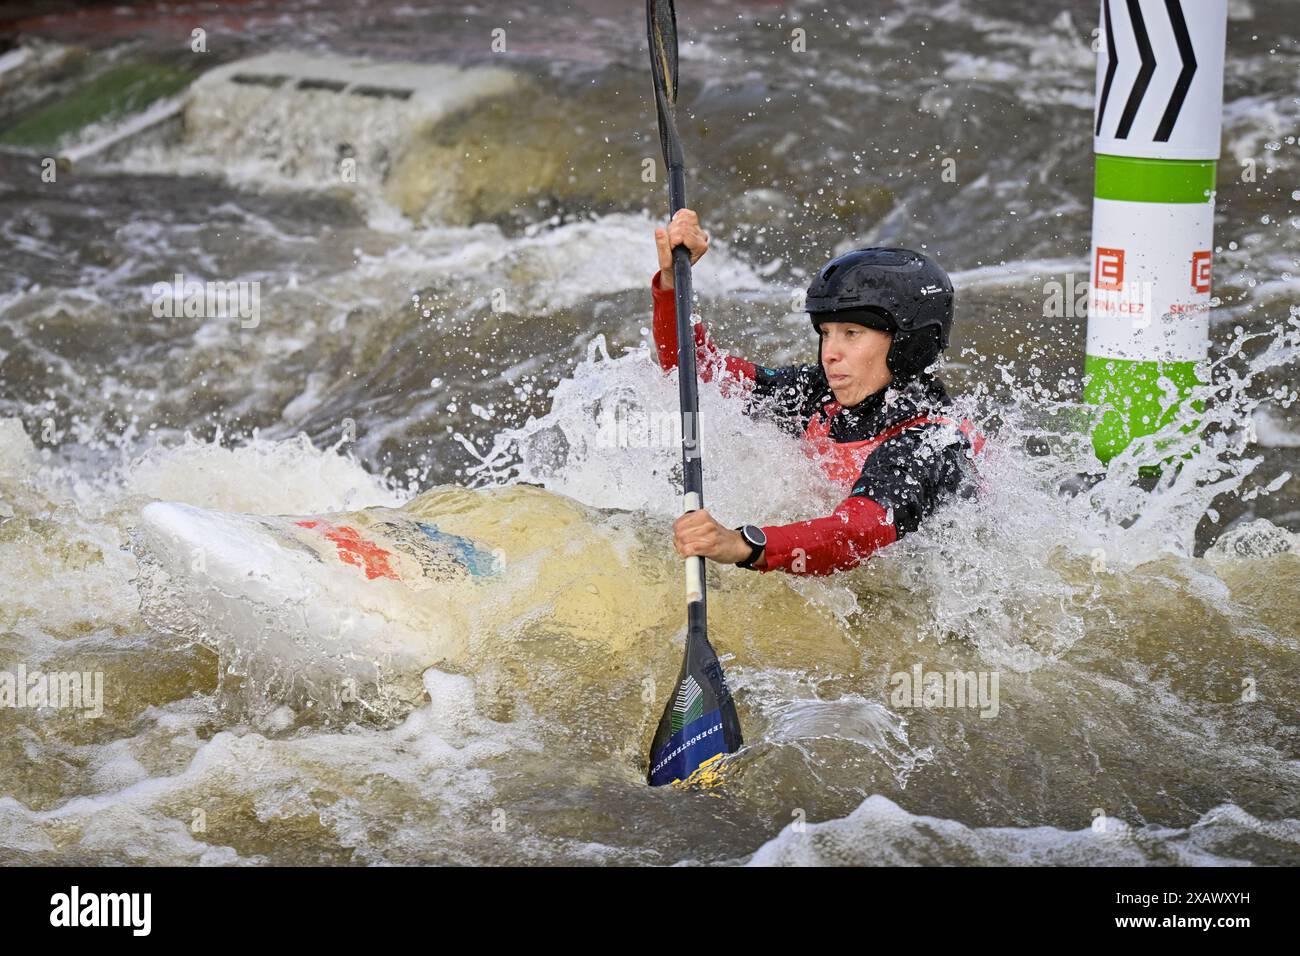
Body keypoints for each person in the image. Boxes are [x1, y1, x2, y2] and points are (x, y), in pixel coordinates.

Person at [653, 208, 985, 575]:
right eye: (826, 333)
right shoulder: (819, 393)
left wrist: (741, 545)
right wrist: (672, 283)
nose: (830, 353)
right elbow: (697, 374)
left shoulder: (930, 441)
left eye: (852, 334)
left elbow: (857, 533)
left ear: (908, 343)